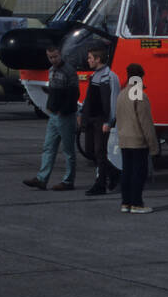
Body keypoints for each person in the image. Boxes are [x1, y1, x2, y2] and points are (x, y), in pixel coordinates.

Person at [24, 43, 79, 191]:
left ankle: (68, 181)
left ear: (60, 54)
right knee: (48, 147)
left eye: (55, 56)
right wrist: (50, 107)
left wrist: (64, 110)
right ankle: (42, 178)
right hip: (54, 114)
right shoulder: (51, 70)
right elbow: (53, 91)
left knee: (68, 150)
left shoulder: (69, 70)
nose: (53, 60)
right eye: (50, 57)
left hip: (65, 115)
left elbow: (74, 93)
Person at [116, 62, 160, 213]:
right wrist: (154, 146)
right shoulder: (139, 95)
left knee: (126, 172)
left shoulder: (121, 94)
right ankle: (137, 203)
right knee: (138, 173)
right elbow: (146, 123)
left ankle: (125, 202)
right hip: (138, 140)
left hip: (124, 139)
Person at [80, 46, 120, 196]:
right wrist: (82, 113)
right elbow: (89, 98)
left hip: (102, 120)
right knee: (90, 151)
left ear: (98, 59)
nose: (88, 60)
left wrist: (110, 121)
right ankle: (114, 172)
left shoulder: (110, 77)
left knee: (100, 151)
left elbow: (114, 100)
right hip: (91, 119)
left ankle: (100, 184)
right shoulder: (94, 76)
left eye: (90, 58)